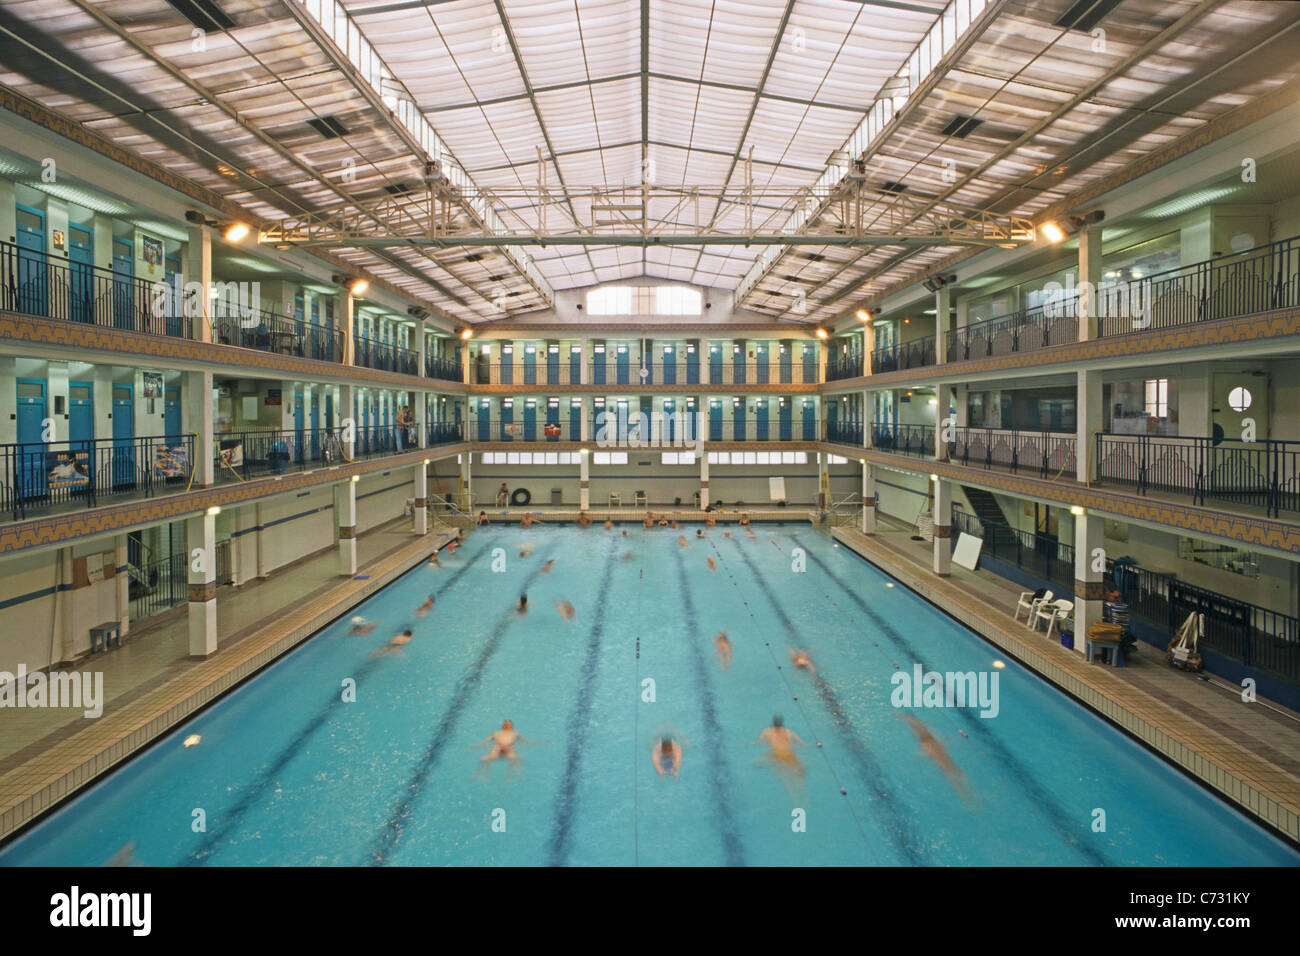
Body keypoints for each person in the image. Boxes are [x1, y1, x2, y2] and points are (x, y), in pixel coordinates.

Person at [902, 715, 971, 803]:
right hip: (940, 751)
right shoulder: (932, 739)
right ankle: (969, 793)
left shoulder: (924, 744)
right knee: (956, 771)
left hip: (936, 755)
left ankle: (965, 799)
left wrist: (916, 756)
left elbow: (921, 753)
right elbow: (944, 741)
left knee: (951, 777)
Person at [753, 714, 806, 802]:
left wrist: (750, 744)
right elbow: (802, 744)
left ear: (773, 722)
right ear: (782, 723)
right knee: (799, 777)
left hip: (777, 754)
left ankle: (795, 799)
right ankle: (804, 797)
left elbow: (758, 743)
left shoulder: (767, 731)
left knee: (785, 779)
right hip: (790, 753)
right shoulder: (789, 732)